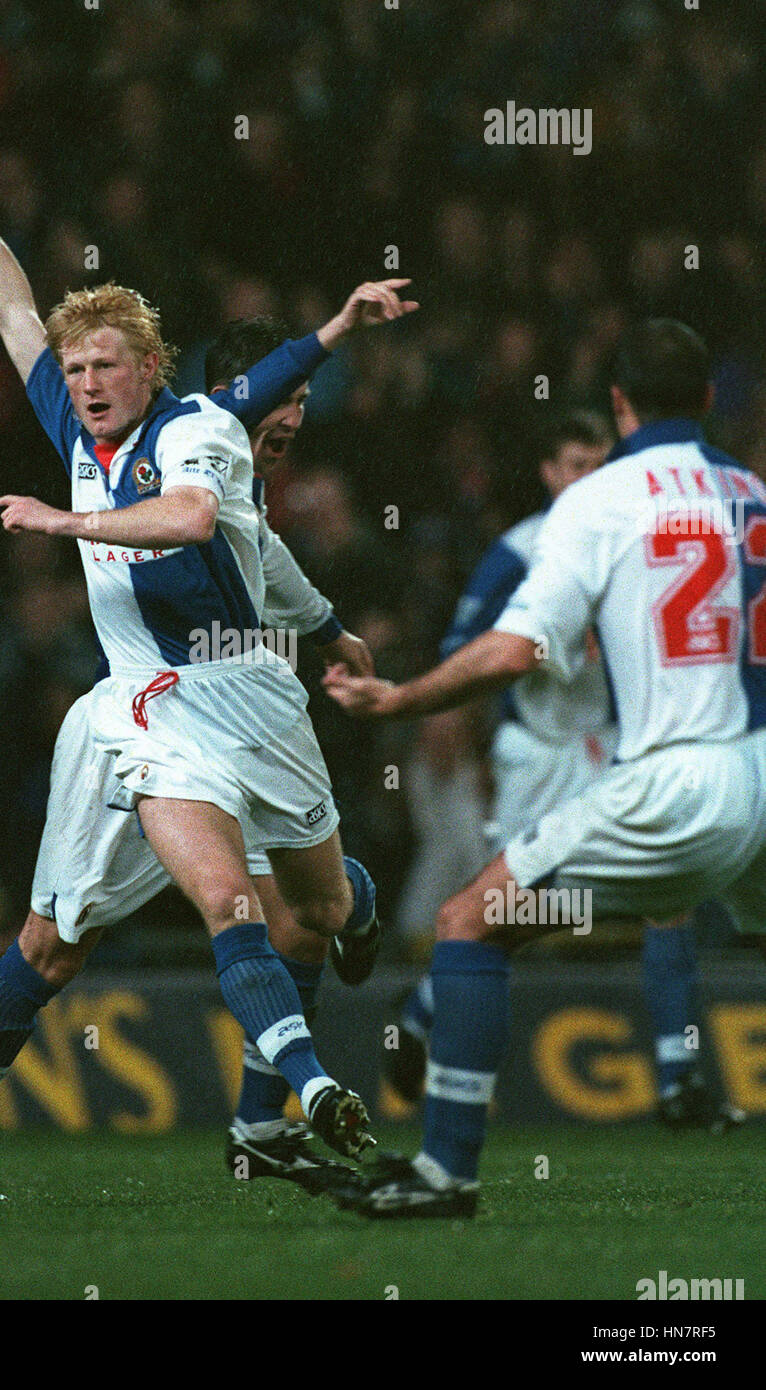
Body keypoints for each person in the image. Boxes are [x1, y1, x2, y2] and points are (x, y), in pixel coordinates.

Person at [0, 86, 416, 1200]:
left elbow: (198, 524)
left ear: (151, 369)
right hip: (139, 711)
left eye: (105, 366)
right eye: (76, 368)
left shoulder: (195, 429)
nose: (85, 383)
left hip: (252, 698)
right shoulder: (73, 416)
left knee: (321, 911)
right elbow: (4, 302)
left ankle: (332, 963)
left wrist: (66, 522)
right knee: (73, 939)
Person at [325, 318, 766, 1217]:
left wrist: (402, 700)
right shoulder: (753, 493)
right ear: (711, 398)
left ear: (619, 403)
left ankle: (446, 1171)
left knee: (469, 919)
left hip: (677, 780)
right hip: (756, 776)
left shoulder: (601, 501)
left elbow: (515, 650)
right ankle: (674, 1080)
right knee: (668, 910)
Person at [387, 411, 744, 1131]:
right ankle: (426, 1012)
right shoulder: (521, 550)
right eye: (575, 463)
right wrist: (444, 716)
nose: (589, 476)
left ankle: (678, 1079)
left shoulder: (632, 532)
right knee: (501, 913)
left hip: (617, 746)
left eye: (598, 462)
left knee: (666, 900)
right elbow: (469, 645)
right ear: (549, 472)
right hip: (541, 753)